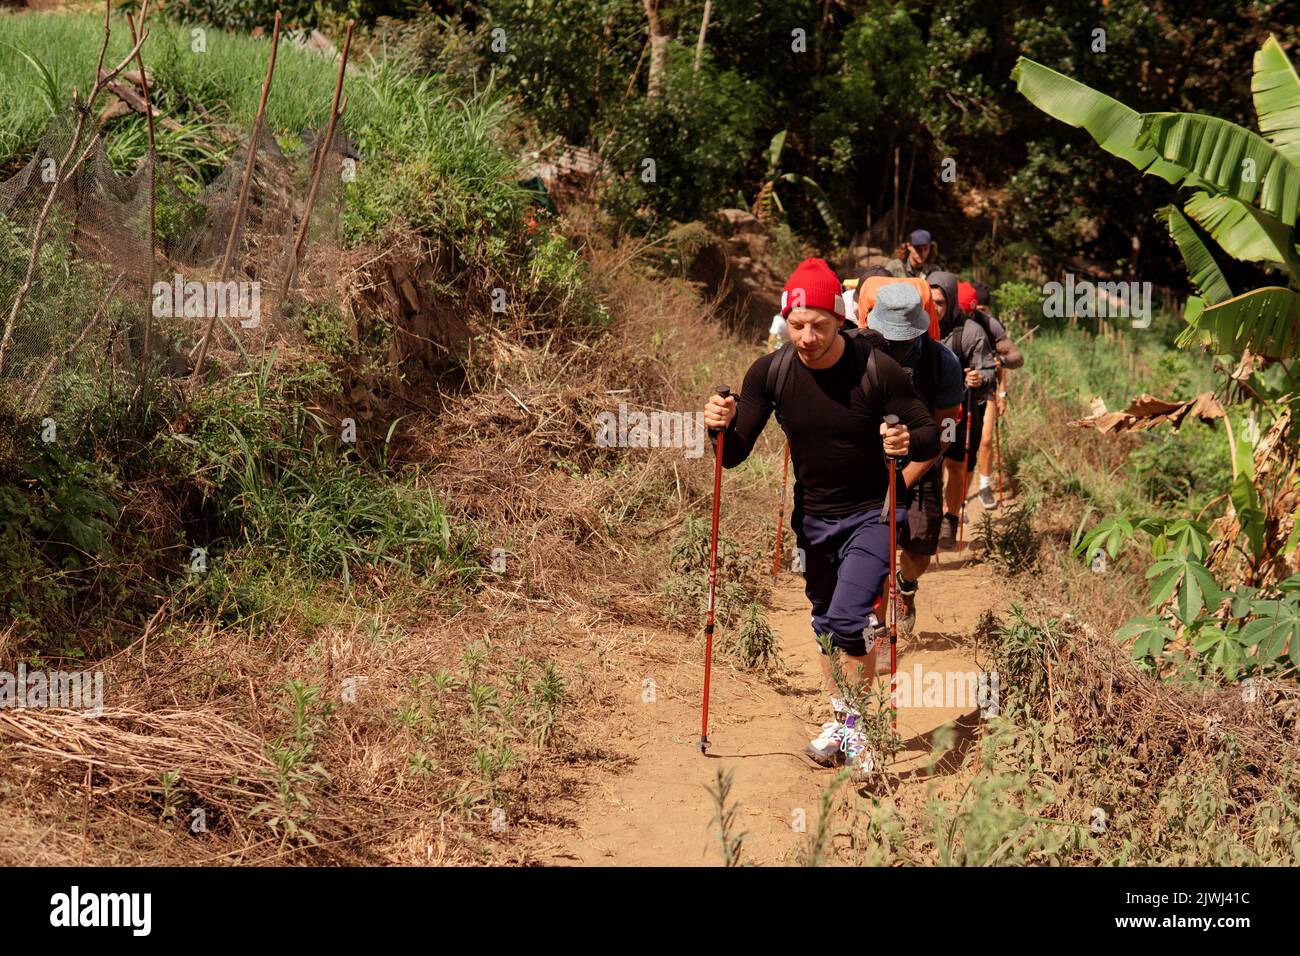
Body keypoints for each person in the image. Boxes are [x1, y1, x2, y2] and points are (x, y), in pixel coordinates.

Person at [703, 257, 938, 779]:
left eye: (819, 326)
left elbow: (929, 434)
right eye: (797, 324)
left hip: (875, 512)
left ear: (839, 319)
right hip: (812, 517)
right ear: (785, 320)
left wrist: (904, 439)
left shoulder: (877, 369)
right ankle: (841, 720)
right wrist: (716, 426)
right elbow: (732, 454)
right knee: (826, 623)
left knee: (851, 619)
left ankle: (858, 730)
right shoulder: (771, 372)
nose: (807, 337)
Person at [859, 284, 964, 636]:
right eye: (890, 337)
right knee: (873, 552)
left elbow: (946, 432)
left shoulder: (943, 363)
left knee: (919, 550)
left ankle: (905, 585)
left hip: (921, 465)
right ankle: (873, 626)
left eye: (904, 338)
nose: (896, 345)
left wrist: (905, 478)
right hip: (869, 467)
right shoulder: (858, 354)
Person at [928, 271, 996, 548]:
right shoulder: (916, 326)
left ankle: (951, 518)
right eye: (930, 301)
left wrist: (979, 377)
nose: (934, 308)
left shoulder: (970, 332)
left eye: (940, 303)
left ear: (951, 301)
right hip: (925, 411)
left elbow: (989, 370)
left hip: (961, 411)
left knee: (956, 466)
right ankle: (926, 519)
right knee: (928, 466)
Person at [964, 281, 1023, 509]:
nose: (980, 313)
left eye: (983, 309)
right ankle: (958, 491)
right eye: (977, 309)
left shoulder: (991, 325)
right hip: (963, 386)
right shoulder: (962, 323)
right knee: (964, 443)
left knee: (986, 439)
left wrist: (1002, 394)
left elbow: (1001, 365)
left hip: (987, 387)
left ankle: (984, 486)